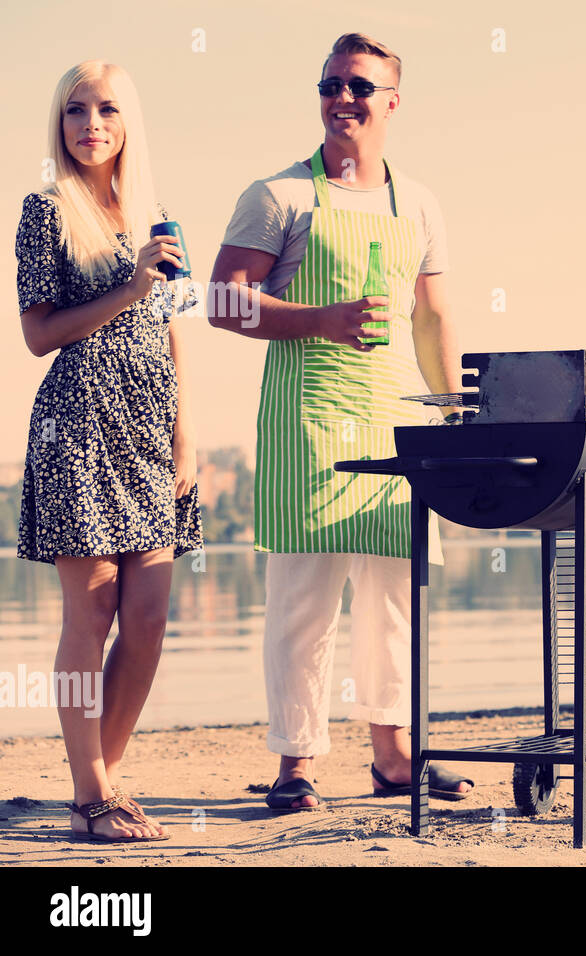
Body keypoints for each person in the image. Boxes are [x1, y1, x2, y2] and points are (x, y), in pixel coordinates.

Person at [209, 33, 472, 810]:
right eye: (330, 85)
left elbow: (433, 317)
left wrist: (454, 414)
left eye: (360, 86)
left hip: (397, 420)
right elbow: (221, 301)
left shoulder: (418, 203)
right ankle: (295, 766)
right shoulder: (277, 195)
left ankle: (395, 758)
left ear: (393, 101)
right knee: (303, 604)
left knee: (396, 600)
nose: (342, 99)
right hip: (308, 423)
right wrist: (322, 318)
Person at [16, 61, 201, 842]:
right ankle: (93, 792)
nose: (91, 123)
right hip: (78, 425)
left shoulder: (159, 214)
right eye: (75, 110)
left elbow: (173, 331)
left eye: (107, 109)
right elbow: (37, 336)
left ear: (129, 122)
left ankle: (97, 779)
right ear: (59, 125)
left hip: (150, 428)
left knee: (151, 615)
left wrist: (186, 433)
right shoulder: (44, 211)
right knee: (91, 612)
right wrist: (124, 288)